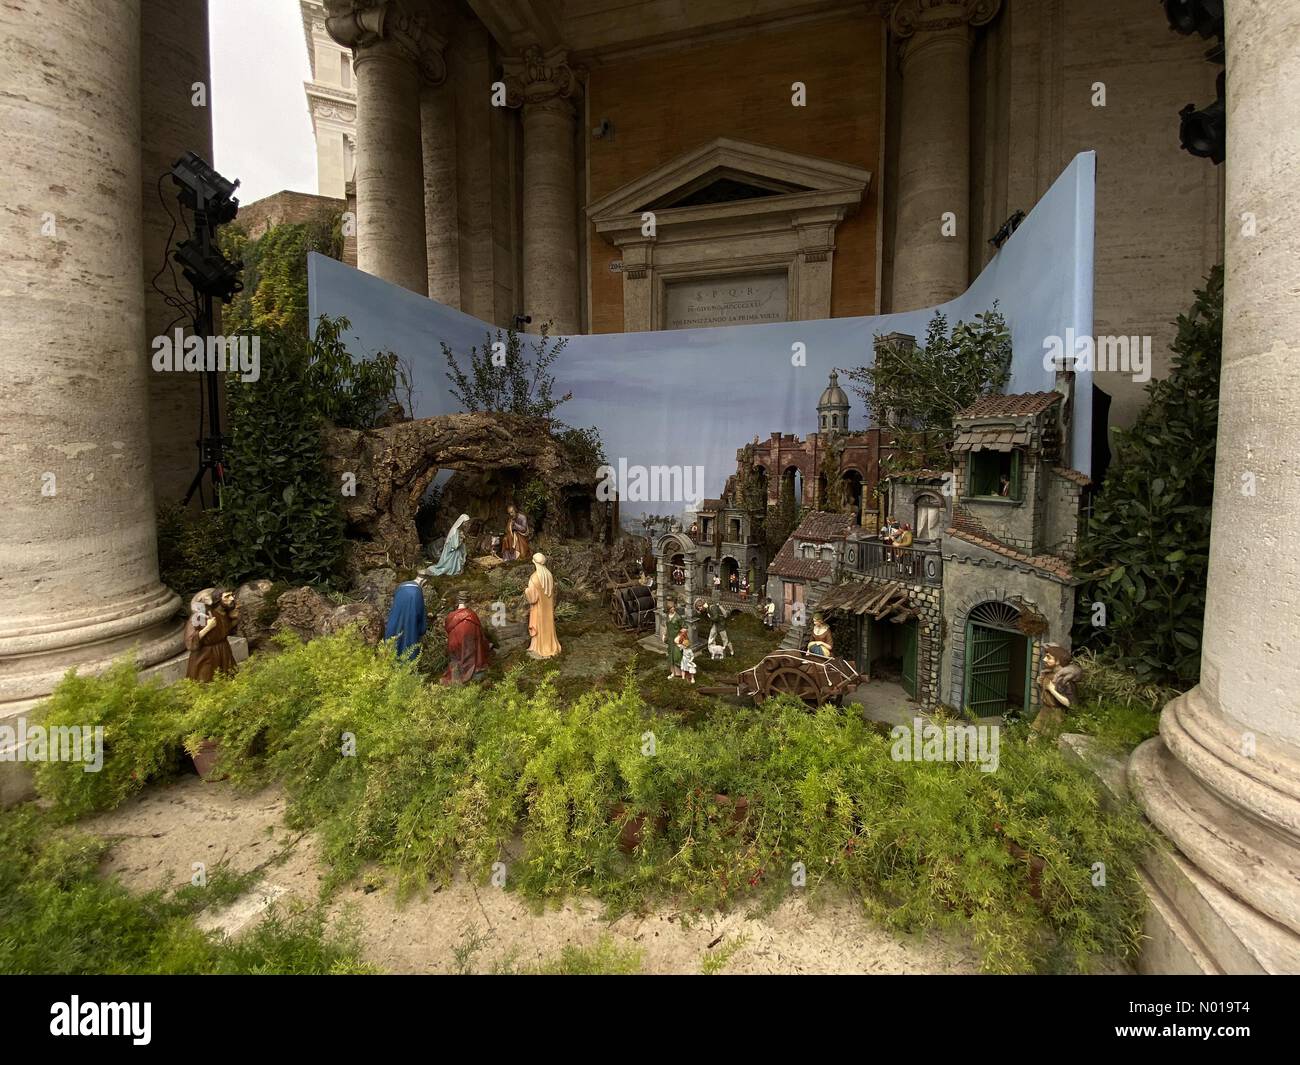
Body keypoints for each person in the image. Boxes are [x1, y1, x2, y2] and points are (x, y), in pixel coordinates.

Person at [186, 588, 239, 682]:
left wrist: (235, 619)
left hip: (224, 651)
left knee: (228, 680)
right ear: (217, 599)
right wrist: (208, 627)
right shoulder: (201, 613)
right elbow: (190, 640)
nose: (231, 599)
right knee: (206, 683)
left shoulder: (225, 612)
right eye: (227, 596)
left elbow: (223, 630)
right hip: (206, 655)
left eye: (232, 595)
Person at [1031, 644, 1082, 737]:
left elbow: (1070, 704)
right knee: (1033, 733)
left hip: (1057, 713)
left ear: (1058, 661)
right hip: (1045, 710)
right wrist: (1040, 684)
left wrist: (1052, 690)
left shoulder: (1066, 680)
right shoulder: (1048, 674)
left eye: (1048, 657)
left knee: (1050, 737)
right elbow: (1044, 693)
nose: (1044, 659)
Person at [442, 591, 490, 684]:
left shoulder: (450, 616)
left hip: (454, 647)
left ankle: (456, 673)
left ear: (458, 601)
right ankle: (470, 673)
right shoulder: (471, 616)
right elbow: (479, 636)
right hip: (468, 647)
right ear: (468, 601)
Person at [524, 552, 561, 658]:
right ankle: (550, 645)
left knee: (539, 626)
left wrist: (527, 591)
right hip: (548, 608)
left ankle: (538, 648)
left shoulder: (534, 578)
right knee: (548, 625)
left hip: (538, 609)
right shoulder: (549, 575)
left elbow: (533, 599)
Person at [384, 577, 428, 660]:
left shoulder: (401, 588)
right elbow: (420, 616)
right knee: (409, 644)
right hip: (411, 627)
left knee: (393, 641)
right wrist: (422, 628)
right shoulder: (417, 592)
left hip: (394, 623)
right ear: (423, 582)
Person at [663, 599, 685, 679]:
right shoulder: (667, 616)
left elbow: (684, 628)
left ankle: (680, 672)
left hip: (677, 640)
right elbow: (666, 626)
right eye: (671, 608)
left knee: (677, 655)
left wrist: (679, 636)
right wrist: (664, 635)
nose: (673, 609)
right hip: (670, 639)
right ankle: (673, 672)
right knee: (670, 656)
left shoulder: (678, 617)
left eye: (673, 607)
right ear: (668, 609)